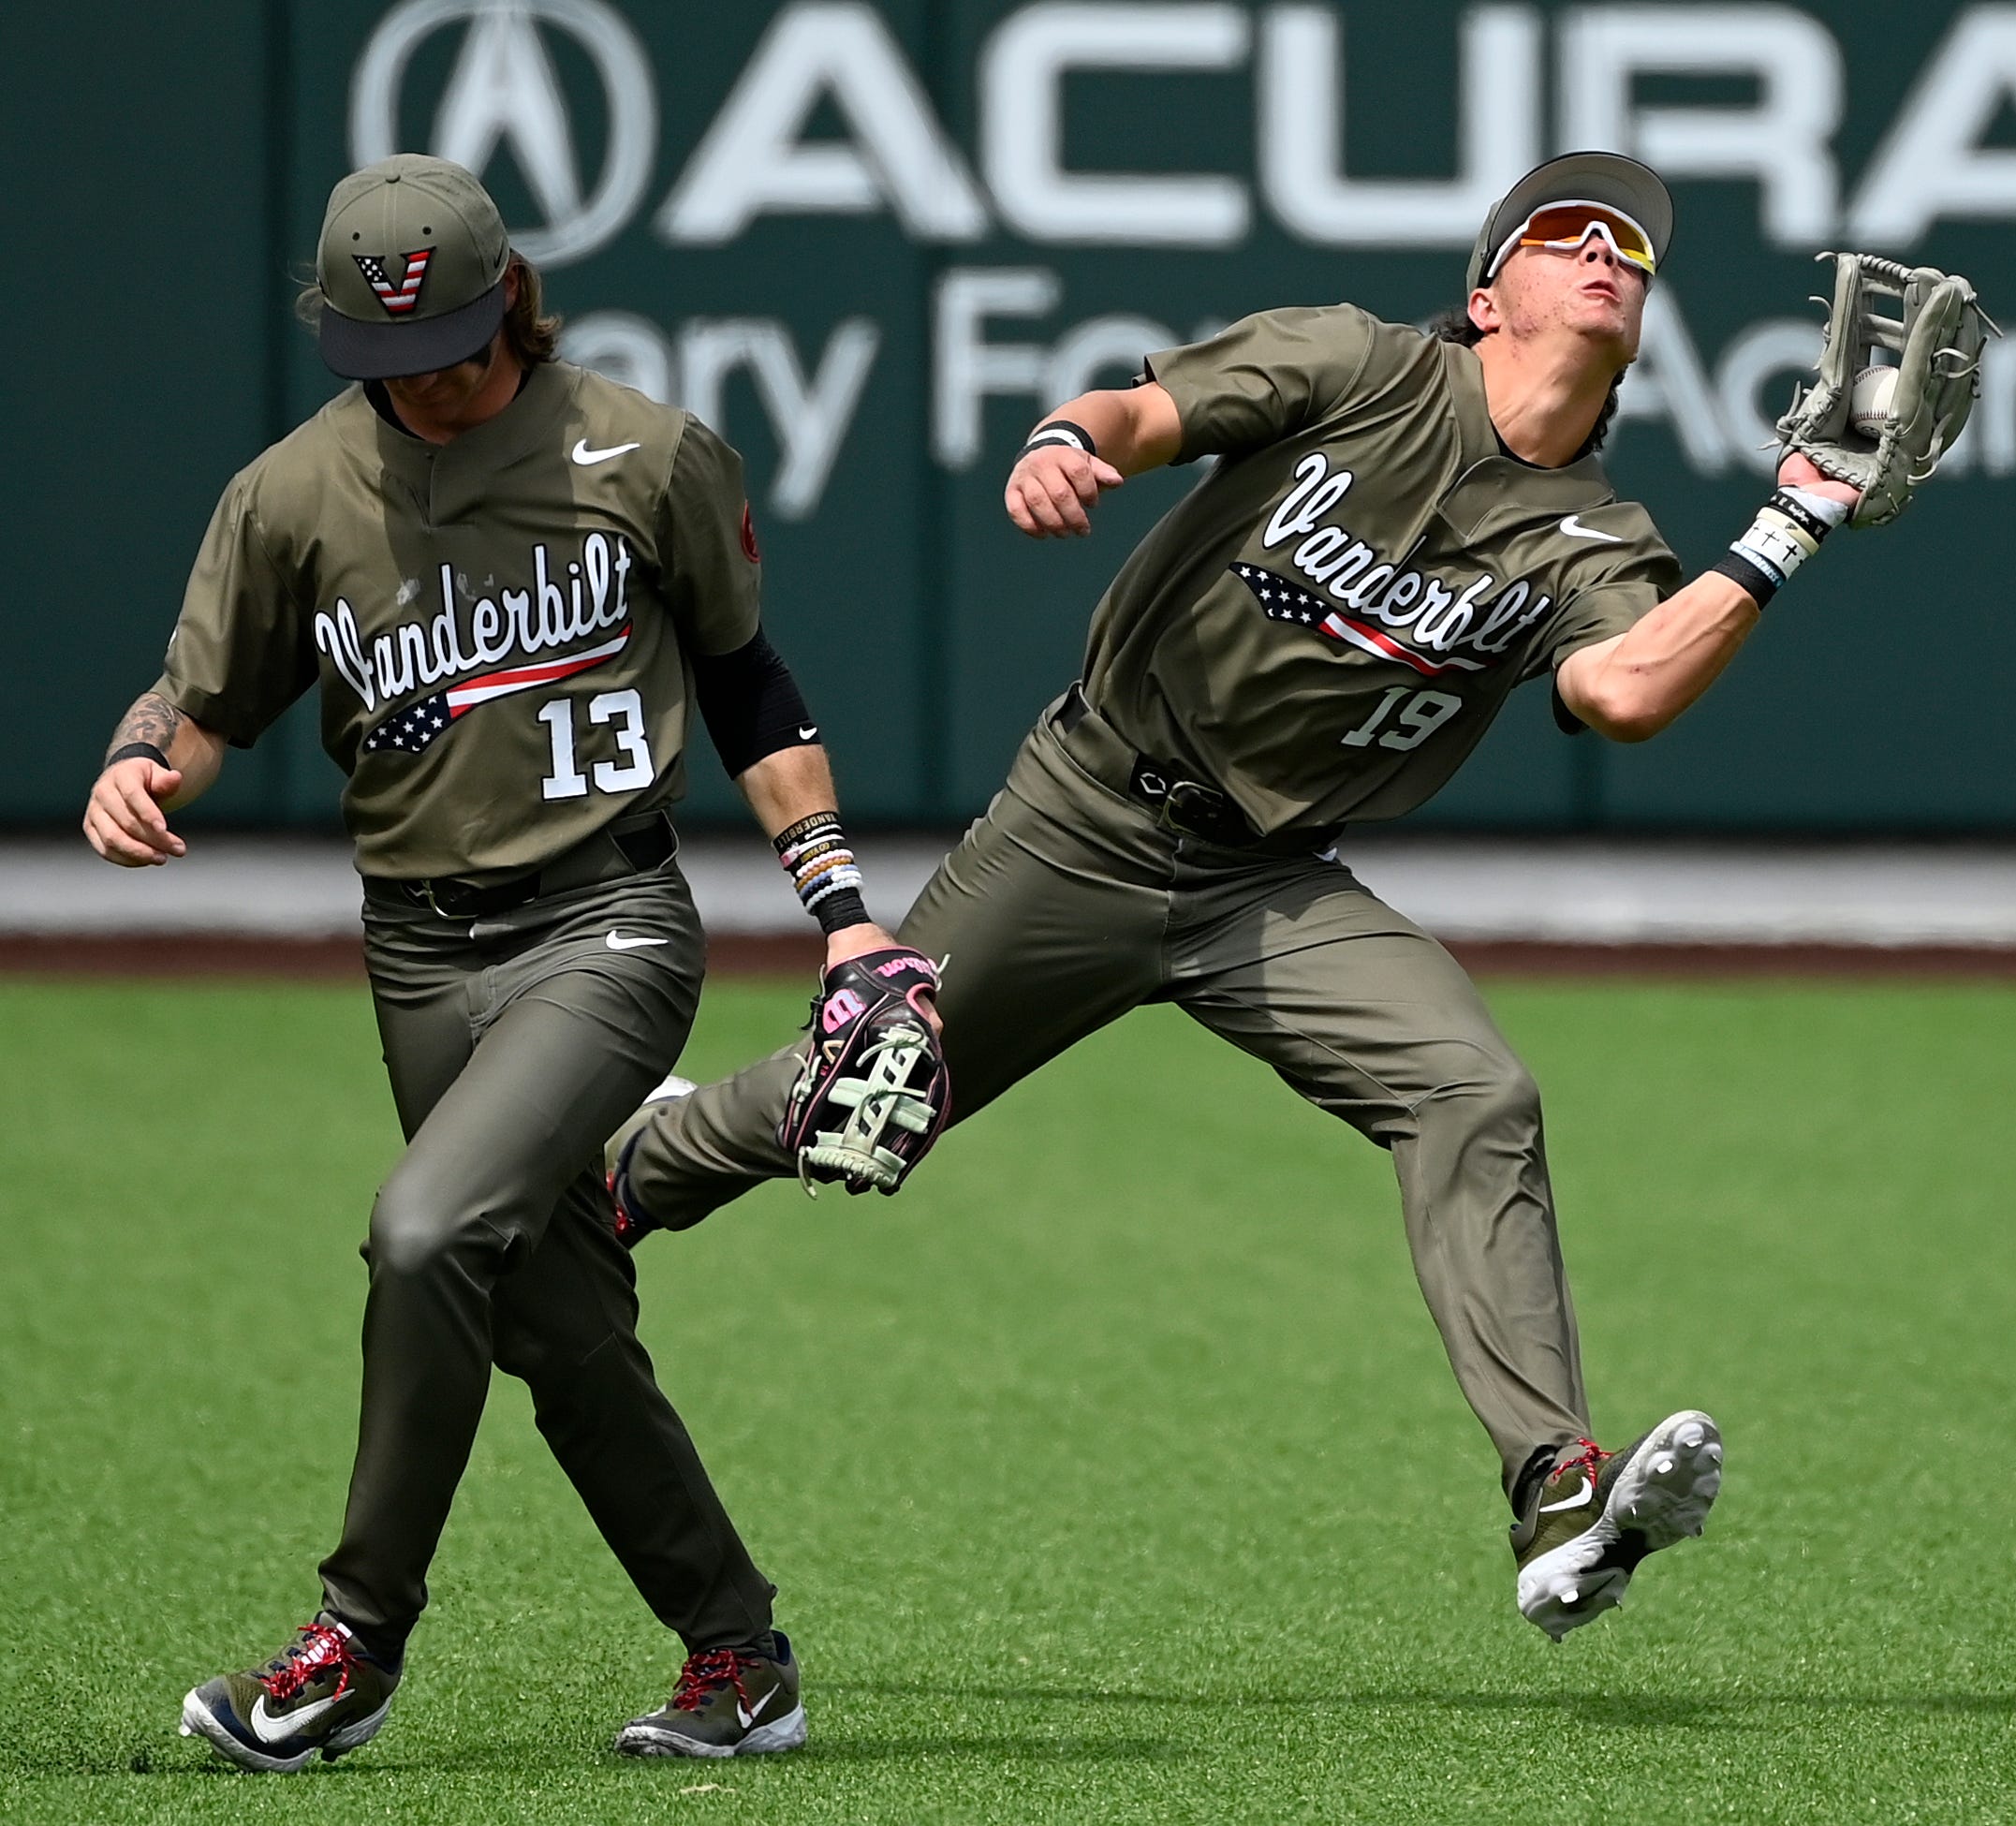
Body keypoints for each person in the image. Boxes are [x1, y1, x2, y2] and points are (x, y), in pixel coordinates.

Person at [611, 152, 1875, 1641]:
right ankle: (622, 1178)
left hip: (1267, 882)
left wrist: (1792, 523)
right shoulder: (1360, 365)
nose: (1606, 252)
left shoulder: (1594, 533)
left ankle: (1556, 1491)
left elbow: (1623, 690)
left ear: (1643, 326)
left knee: (1473, 1088)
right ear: (1488, 296)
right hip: (1090, 813)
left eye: (1631, 250)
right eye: (1565, 232)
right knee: (863, 1104)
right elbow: (1141, 412)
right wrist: (1064, 439)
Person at [81, 154, 913, 1768]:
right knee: (561, 1326)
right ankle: (742, 1658)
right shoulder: (290, 494)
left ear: (513, 296)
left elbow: (749, 685)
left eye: (449, 346)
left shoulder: (646, 452)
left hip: (607, 923)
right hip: (416, 954)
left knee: (424, 1231)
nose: (424, 382)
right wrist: (137, 767)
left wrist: (845, 909)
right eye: (386, 356)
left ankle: (354, 1642)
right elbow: (195, 702)